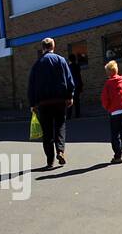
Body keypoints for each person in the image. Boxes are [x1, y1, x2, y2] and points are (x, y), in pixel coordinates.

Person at [27, 37, 75, 170]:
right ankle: (60, 151)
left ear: (42, 48)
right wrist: (70, 96)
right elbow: (69, 79)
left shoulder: (37, 64)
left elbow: (31, 86)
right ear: (53, 46)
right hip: (60, 100)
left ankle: (50, 161)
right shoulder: (61, 60)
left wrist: (32, 103)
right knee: (60, 126)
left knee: (47, 131)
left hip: (43, 103)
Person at [68, 54, 84, 119]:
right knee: (77, 101)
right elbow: (79, 76)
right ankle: (77, 114)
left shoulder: (69, 67)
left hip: (72, 85)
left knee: (70, 100)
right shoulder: (77, 66)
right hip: (78, 84)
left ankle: (69, 115)